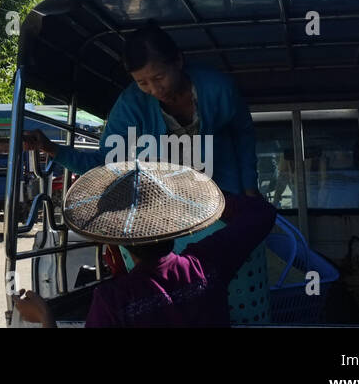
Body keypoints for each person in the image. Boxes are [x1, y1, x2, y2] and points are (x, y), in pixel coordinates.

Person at [21, 21, 268, 322]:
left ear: (178, 61)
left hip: (223, 199)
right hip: (169, 208)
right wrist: (55, 151)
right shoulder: (130, 107)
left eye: (159, 77)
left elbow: (243, 132)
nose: (154, 89)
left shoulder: (218, 89)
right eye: (143, 83)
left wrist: (246, 191)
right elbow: (106, 166)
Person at [13, 161, 277, 327]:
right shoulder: (206, 265)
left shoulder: (113, 300)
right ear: (176, 222)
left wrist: (44, 318)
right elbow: (261, 213)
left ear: (120, 240)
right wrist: (201, 203)